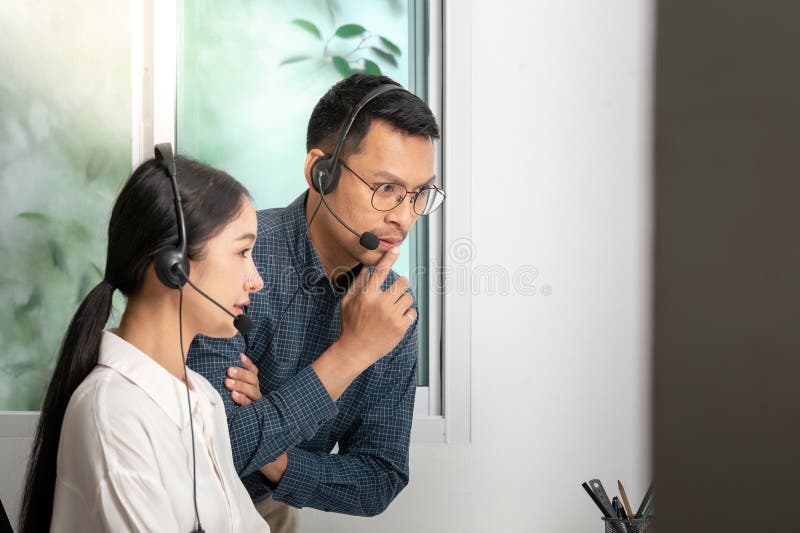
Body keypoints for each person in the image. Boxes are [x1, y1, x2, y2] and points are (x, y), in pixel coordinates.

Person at [188, 74, 445, 532]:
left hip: (268, 510)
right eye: (386, 189)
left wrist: (277, 454)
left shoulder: (393, 312)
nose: (404, 218)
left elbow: (379, 480)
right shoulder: (232, 262)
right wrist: (353, 352)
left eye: (419, 195)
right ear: (320, 173)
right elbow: (209, 444)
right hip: (179, 499)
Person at [18, 151, 269, 532]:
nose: (256, 280)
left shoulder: (203, 397)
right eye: (242, 252)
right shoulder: (113, 412)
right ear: (175, 266)